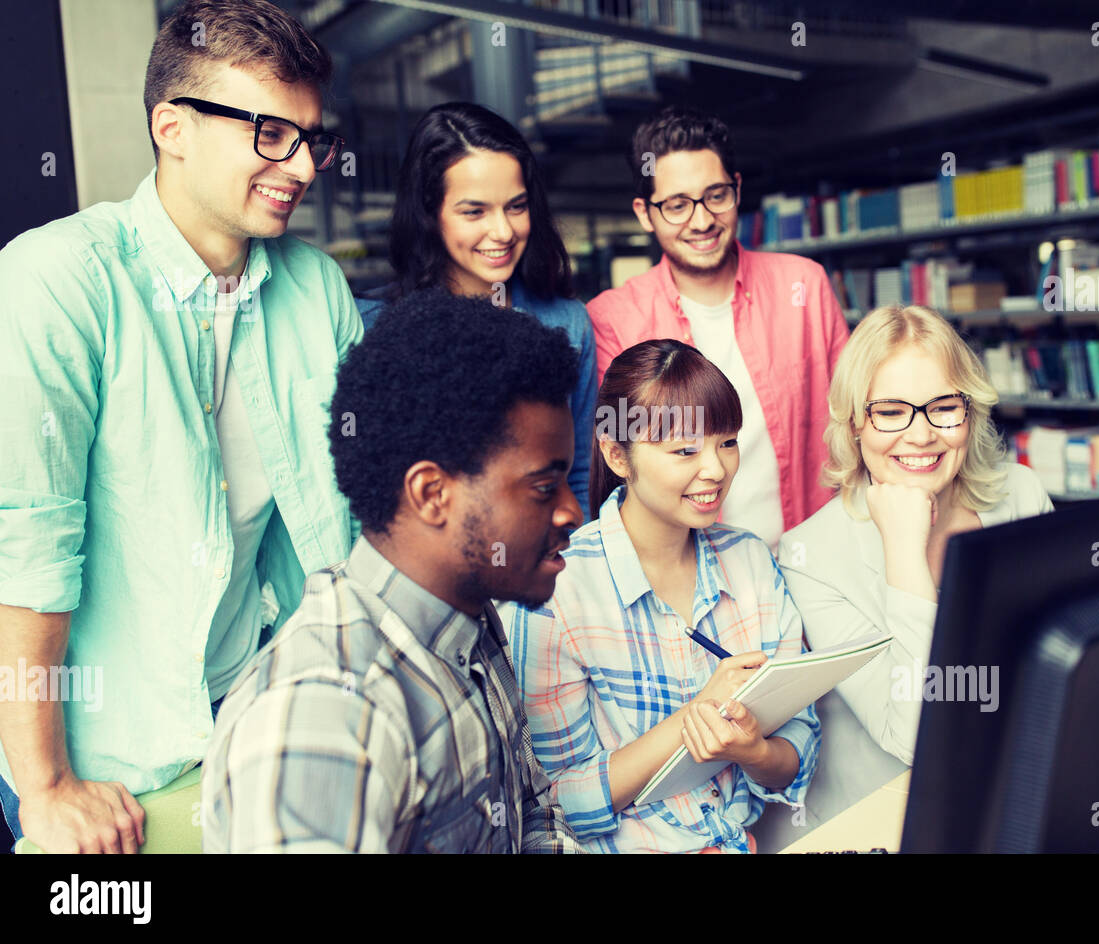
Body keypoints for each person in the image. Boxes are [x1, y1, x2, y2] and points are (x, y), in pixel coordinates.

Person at [0, 0, 361, 853]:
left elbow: (350, 515)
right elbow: (27, 547)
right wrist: (47, 787)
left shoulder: (316, 288)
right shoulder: (56, 279)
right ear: (173, 126)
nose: (302, 166)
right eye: (271, 133)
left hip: (252, 720)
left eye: (313, 138)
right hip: (100, 755)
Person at [202, 291, 584, 853]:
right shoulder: (327, 716)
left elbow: (532, 815)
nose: (572, 512)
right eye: (544, 488)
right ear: (432, 494)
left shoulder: (467, 619)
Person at [504, 339, 820, 853]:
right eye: (684, 451)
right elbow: (552, 805)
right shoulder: (554, 591)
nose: (716, 469)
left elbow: (798, 751)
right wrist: (698, 716)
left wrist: (755, 751)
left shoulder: (751, 561)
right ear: (616, 454)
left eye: (727, 442)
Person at [777, 304, 1053, 824]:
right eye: (890, 411)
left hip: (1007, 788)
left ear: (969, 410)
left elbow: (1054, 664)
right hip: (890, 819)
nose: (922, 435)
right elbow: (919, 737)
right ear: (855, 423)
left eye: (944, 406)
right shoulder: (809, 557)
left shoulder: (1021, 495)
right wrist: (904, 550)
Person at [585, 106, 849, 550]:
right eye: (676, 205)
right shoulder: (612, 318)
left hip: (815, 558)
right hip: (691, 573)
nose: (702, 220)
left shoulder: (803, 286)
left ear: (738, 189)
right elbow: (620, 465)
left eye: (716, 196)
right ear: (644, 213)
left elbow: (853, 417)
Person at [357, 102, 597, 512]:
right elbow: (366, 491)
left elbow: (577, 474)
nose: (502, 231)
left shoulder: (568, 325)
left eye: (516, 207)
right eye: (474, 211)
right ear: (430, 215)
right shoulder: (371, 328)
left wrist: (569, 567)